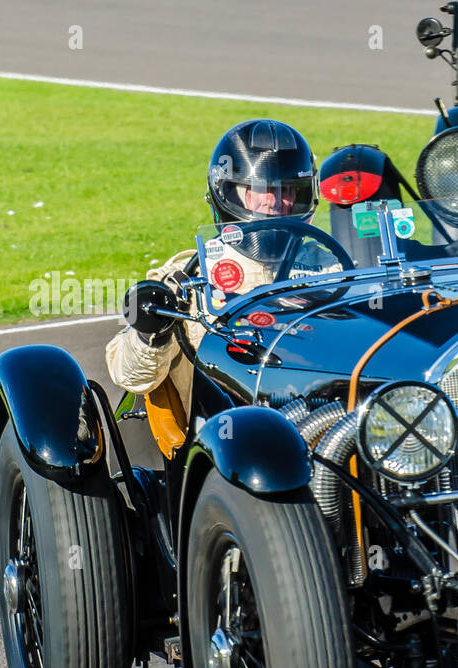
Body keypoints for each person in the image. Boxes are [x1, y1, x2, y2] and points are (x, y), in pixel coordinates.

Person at [106, 119, 336, 450]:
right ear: (228, 194)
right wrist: (150, 331)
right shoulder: (188, 275)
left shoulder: (332, 264)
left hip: (325, 424)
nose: (275, 203)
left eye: (288, 191)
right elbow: (129, 376)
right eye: (259, 190)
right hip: (224, 442)